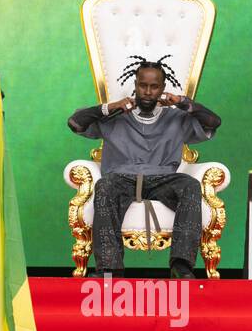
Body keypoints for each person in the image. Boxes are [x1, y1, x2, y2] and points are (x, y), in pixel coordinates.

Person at [67, 55, 222, 278]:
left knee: (190, 185)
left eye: (154, 86)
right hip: (121, 177)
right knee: (105, 186)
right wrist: (109, 107)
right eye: (143, 85)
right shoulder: (115, 116)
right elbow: (75, 123)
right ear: (136, 85)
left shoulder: (175, 117)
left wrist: (182, 102)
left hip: (163, 179)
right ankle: (109, 270)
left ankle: (181, 266)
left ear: (162, 88)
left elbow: (213, 122)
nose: (148, 91)